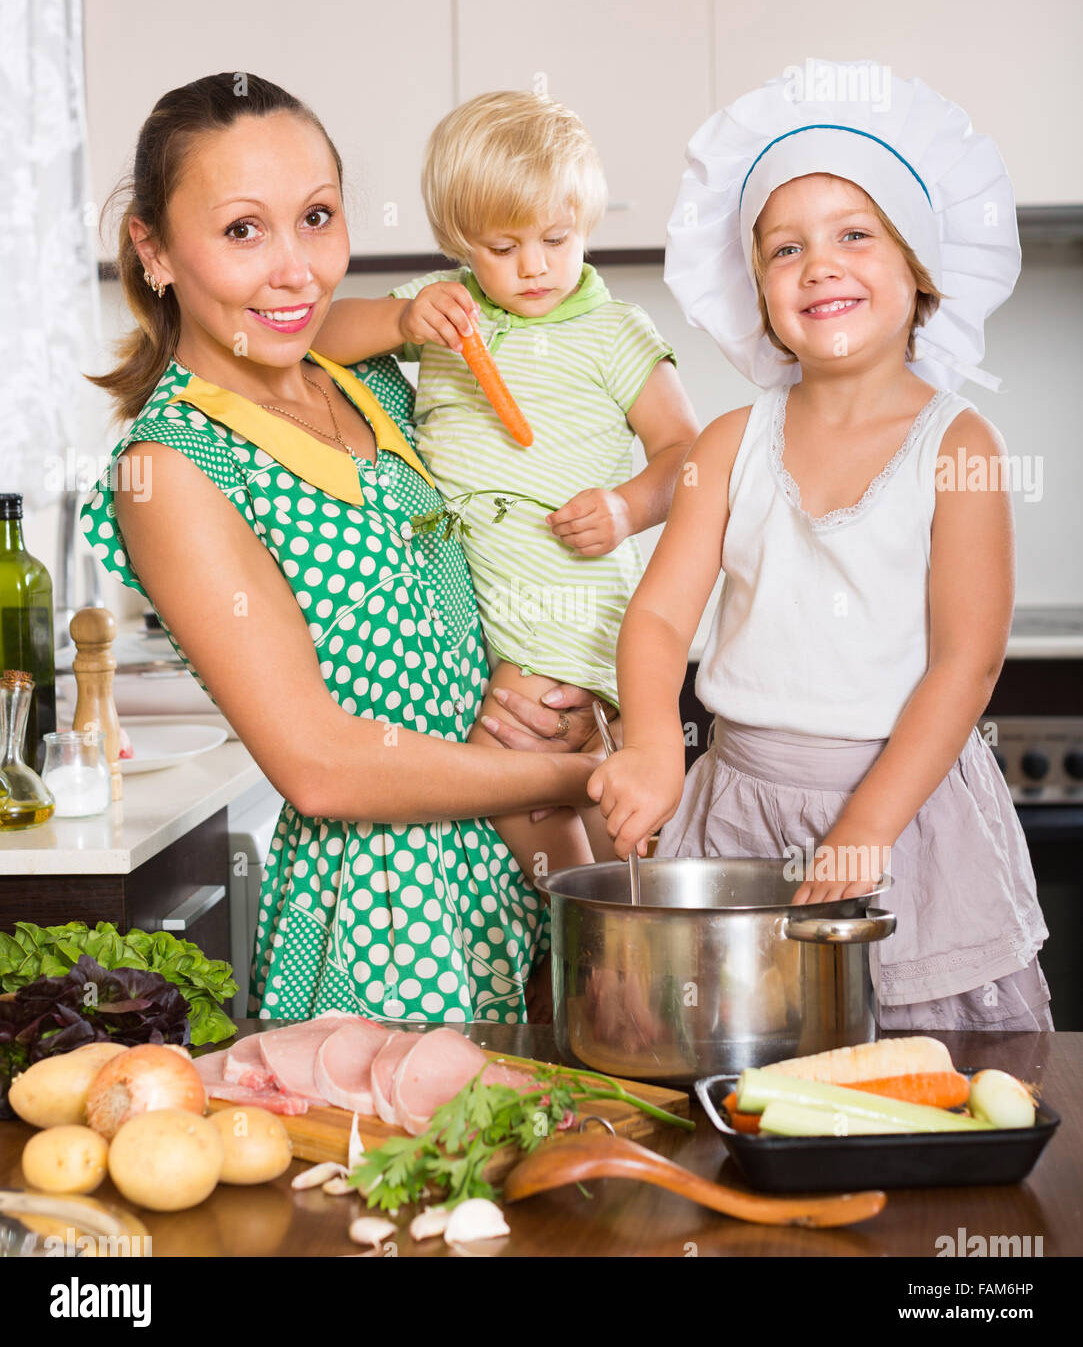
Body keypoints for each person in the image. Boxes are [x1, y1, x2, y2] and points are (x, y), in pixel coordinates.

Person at [80, 72, 603, 1026]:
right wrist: (587, 774)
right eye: (243, 230)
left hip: (519, 870)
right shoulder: (174, 465)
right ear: (153, 250)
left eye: (316, 216)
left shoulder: (374, 386)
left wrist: (561, 705)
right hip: (389, 920)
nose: (296, 270)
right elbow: (323, 765)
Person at [589, 60, 1052, 1031]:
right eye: (785, 248)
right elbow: (663, 613)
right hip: (738, 810)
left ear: (918, 264)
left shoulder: (959, 446)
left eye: (855, 235)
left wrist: (865, 829)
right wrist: (647, 743)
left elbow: (965, 664)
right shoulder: (729, 443)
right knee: (738, 1068)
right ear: (757, 290)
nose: (820, 265)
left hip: (905, 812)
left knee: (922, 1091)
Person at [313, 91, 699, 882]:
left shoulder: (612, 330)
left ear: (585, 222)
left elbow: (686, 456)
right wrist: (400, 321)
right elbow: (315, 337)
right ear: (460, 243)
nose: (532, 266)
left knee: (513, 770)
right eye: (502, 246)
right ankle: (619, 926)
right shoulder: (449, 313)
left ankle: (581, 931)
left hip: (572, 604)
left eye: (557, 239)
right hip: (491, 614)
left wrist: (627, 507)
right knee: (600, 801)